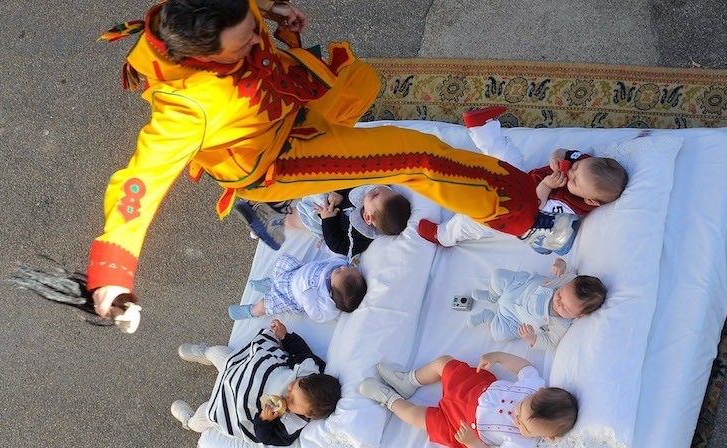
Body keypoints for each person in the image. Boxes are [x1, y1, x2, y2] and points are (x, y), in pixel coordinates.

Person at [89, 0, 577, 319]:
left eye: (252, 30)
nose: (259, 40)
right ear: (201, 57)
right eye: (245, 45)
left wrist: (268, 10)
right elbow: (139, 184)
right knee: (418, 157)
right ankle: (525, 218)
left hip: (286, 104)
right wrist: (110, 278)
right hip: (278, 158)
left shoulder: (218, 10)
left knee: (359, 81)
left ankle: (344, 148)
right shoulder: (184, 108)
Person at [417, 106, 629, 254]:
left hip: (513, 211)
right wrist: (557, 156)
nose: (569, 173)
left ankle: (442, 235)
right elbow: (565, 153)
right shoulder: (585, 164)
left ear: (590, 200)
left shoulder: (569, 210)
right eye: (574, 168)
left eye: (573, 181)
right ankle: (482, 129)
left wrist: (546, 184)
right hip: (521, 181)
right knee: (507, 158)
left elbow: (535, 208)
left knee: (474, 221)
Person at [358, 352, 578, 448]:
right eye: (521, 407)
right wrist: (499, 356)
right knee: (445, 363)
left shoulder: (522, 444)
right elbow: (524, 367)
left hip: (462, 426)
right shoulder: (532, 385)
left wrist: (472, 443)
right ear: (539, 391)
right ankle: (409, 380)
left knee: (419, 417)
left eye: (524, 426)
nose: (516, 417)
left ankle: (389, 399)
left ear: (547, 437)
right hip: (473, 388)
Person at [170, 319, 341, 446]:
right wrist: (285, 336)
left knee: (208, 415)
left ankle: (190, 422)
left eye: (293, 401)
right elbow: (300, 351)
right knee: (225, 356)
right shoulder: (310, 368)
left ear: (308, 414)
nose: (287, 393)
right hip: (246, 370)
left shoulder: (292, 423)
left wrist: (264, 420)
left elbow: (268, 438)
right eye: (292, 386)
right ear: (305, 378)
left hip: (237, 403)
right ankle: (206, 352)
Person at [468, 258, 606, 349]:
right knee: (498, 275)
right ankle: (492, 296)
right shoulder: (569, 280)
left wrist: (532, 338)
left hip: (514, 318)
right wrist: (560, 264)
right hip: (518, 287)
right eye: (560, 294)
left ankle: (488, 316)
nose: (558, 302)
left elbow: (551, 343)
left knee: (499, 334)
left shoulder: (561, 324)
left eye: (565, 307)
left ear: (578, 315)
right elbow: (569, 269)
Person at [228, 255, 366, 322]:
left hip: (290, 295)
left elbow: (317, 316)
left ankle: (251, 311)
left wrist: (308, 298)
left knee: (267, 304)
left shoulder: (327, 303)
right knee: (283, 261)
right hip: (295, 271)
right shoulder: (340, 271)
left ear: (331, 292)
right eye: (348, 268)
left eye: (339, 272)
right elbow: (334, 259)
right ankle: (272, 283)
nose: (342, 267)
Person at [285, 185, 412, 257]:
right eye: (382, 189)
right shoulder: (373, 197)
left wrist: (328, 219)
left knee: (299, 217)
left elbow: (338, 245)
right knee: (314, 185)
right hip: (330, 198)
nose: (375, 189)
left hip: (324, 218)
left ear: (368, 218)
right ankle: (284, 191)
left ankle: (279, 218)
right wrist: (339, 193)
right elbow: (352, 186)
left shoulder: (359, 237)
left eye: (375, 195)